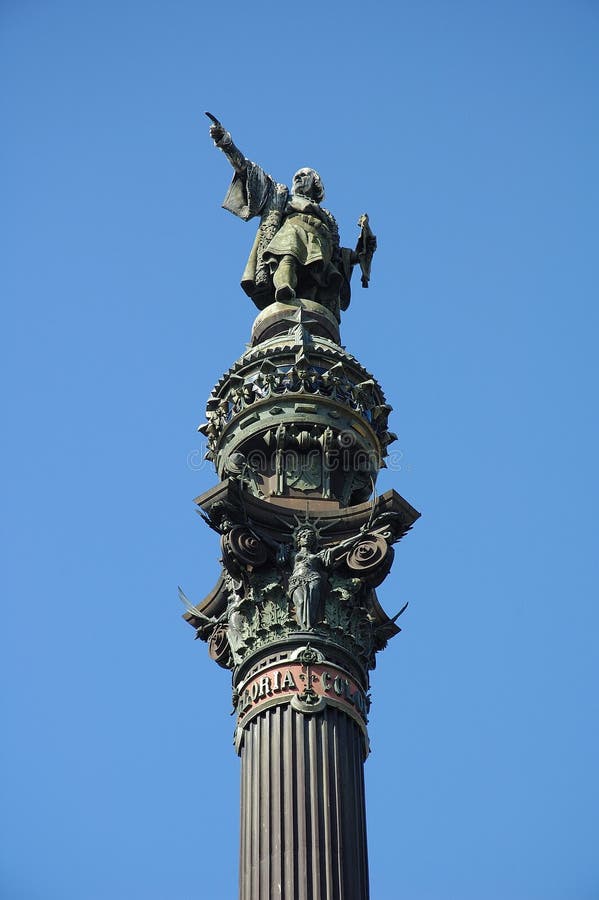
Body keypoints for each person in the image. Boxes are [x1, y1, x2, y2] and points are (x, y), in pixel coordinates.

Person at [208, 118, 373, 321]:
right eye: (296, 176)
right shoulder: (282, 196)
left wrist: (360, 251)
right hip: (291, 233)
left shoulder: (327, 218)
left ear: (316, 184)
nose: (298, 178)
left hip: (319, 245)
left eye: (304, 175)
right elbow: (247, 171)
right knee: (288, 255)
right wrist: (227, 144)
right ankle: (284, 288)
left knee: (319, 275)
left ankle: (309, 304)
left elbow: (338, 256)